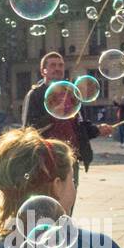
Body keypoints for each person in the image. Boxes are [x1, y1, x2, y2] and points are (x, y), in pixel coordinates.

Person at [22, 52, 114, 188]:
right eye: (53, 65)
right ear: (43, 71)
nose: (57, 68)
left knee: (67, 204)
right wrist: (52, 115)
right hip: (45, 160)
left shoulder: (72, 93)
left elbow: (80, 126)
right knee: (42, 203)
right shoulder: (35, 95)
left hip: (70, 158)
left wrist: (98, 130)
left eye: (60, 65)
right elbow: (29, 129)